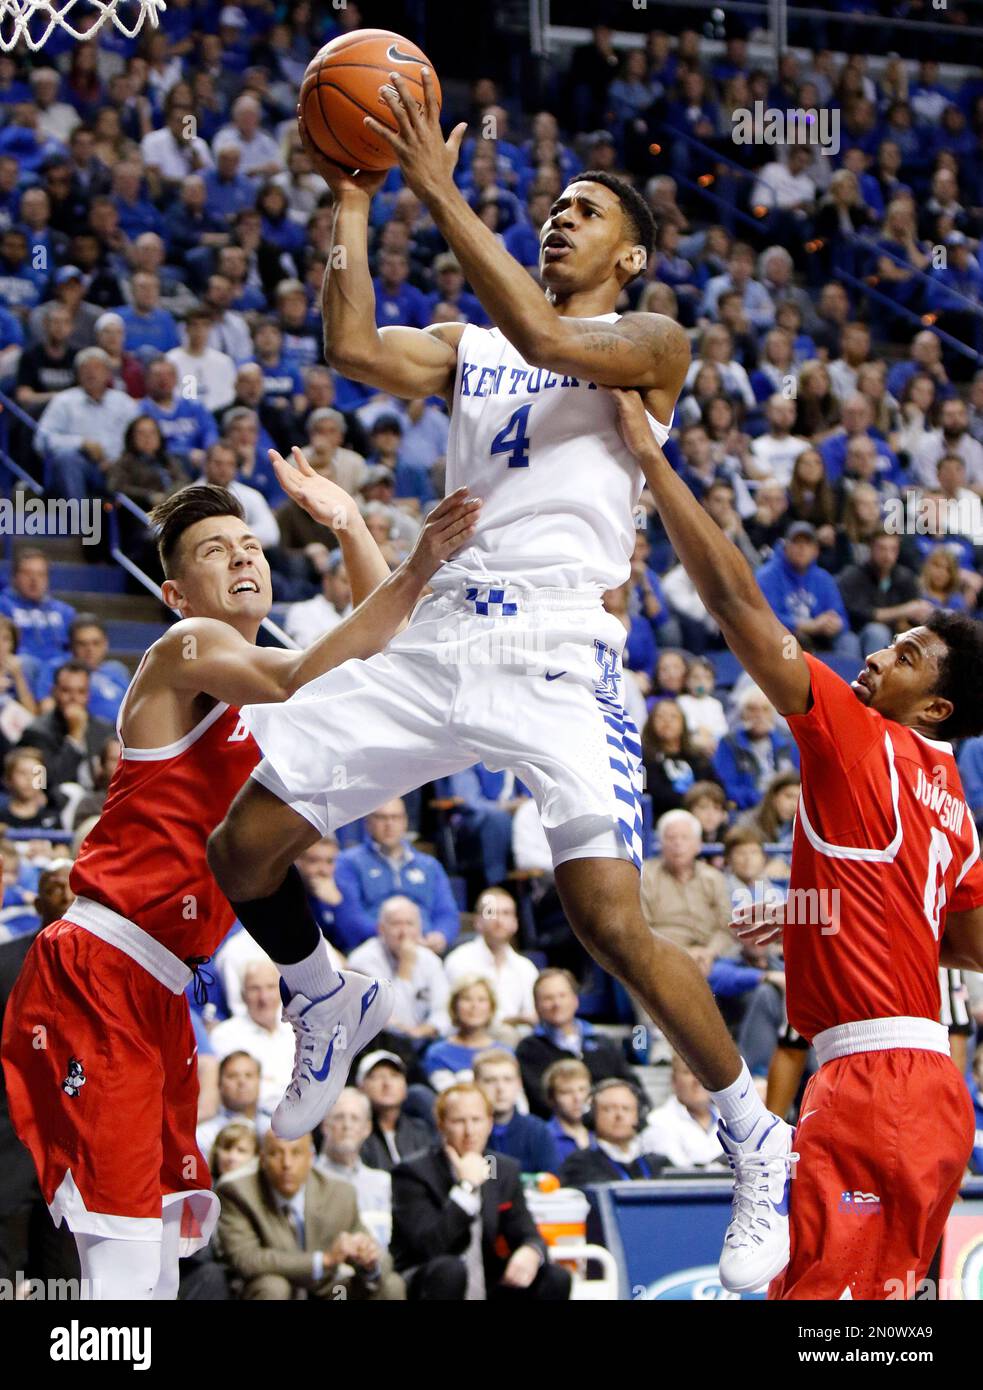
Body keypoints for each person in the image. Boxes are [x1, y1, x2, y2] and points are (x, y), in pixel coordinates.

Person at [205, 73, 791, 1290]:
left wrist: (434, 185)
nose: (561, 217)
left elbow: (543, 333)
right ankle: (326, 997)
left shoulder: (647, 345)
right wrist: (360, 201)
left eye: (587, 211)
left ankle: (751, 1134)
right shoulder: (475, 345)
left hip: (557, 652)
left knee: (605, 920)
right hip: (437, 631)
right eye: (555, 205)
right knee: (242, 849)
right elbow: (354, 345)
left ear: (630, 258)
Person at [0, 477, 479, 1301]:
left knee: (154, 1258)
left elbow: (379, 654)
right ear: (178, 591)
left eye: (250, 543)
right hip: (98, 965)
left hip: (160, 988)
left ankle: (321, 992)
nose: (242, 556)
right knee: (116, 1253)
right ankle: (320, 992)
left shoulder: (266, 671)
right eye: (214, 551)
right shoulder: (186, 645)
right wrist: (418, 564)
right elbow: (306, 670)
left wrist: (349, 526)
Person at [611, 383, 983, 1297]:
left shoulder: (865, 739)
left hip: (873, 1084)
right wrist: (827, 918)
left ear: (934, 708)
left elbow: (739, 605)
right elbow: (964, 949)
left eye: (903, 657)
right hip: (925, 1083)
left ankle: (754, 1140)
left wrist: (655, 467)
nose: (874, 653)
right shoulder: (954, 805)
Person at [390, 1082, 570, 1300]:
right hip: (428, 1279)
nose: (469, 1131)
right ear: (441, 1125)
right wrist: (466, 1189)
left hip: (489, 1284)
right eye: (458, 1121)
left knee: (555, 1277)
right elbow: (428, 1247)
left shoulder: (502, 1169)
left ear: (489, 1124)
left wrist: (531, 1251)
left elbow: (527, 1232)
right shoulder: (413, 1172)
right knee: (450, 1270)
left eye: (476, 1120)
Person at [217, 1129, 403, 1300]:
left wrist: (369, 1262)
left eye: (296, 1153)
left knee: (391, 1284)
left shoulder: (339, 1193)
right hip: (275, 1288)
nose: (287, 1164)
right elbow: (247, 1259)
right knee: (273, 1287)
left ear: (311, 1158)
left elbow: (376, 1253)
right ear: (262, 1160)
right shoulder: (238, 1193)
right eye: (276, 1154)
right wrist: (324, 1260)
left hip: (330, 1290)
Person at [332, 799, 461, 954]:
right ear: (368, 822)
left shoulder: (429, 865)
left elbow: (447, 913)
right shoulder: (348, 862)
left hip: (425, 948)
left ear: (405, 821)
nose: (389, 824)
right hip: (374, 950)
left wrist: (441, 935)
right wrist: (398, 938)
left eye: (395, 817)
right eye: (382, 818)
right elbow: (350, 919)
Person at [516, 968, 635, 1117]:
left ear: (575, 1000)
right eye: (548, 998)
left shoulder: (603, 1043)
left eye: (562, 995)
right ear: (536, 1006)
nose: (556, 1003)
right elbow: (542, 1102)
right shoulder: (528, 1049)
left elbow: (632, 1087)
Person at [347, 896, 449, 1041]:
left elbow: (444, 1010)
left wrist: (425, 1030)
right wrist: (405, 968)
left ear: (419, 928)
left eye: (410, 924)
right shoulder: (363, 961)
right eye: (396, 924)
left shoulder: (430, 960)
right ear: (381, 929)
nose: (404, 932)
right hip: (380, 1041)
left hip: (425, 1040)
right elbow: (395, 1019)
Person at [442, 887, 538, 1029]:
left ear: (515, 923)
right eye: (491, 913)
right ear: (477, 922)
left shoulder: (526, 967)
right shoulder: (458, 960)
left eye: (506, 913)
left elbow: (532, 1017)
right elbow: (450, 1016)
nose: (499, 920)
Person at [208, 961, 296, 1112]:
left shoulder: (298, 1029)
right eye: (255, 989)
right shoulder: (225, 1035)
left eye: (271, 987)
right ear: (242, 995)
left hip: (301, 1118)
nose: (264, 997)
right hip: (248, 1119)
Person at [559, 1079, 667, 1187]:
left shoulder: (661, 1165)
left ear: (639, 1116)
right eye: (608, 1109)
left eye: (626, 1109)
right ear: (592, 1116)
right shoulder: (578, 1166)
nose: (619, 1115)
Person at [316, 1089, 392, 1228]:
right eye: (339, 1117)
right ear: (325, 1125)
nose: (347, 1125)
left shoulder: (381, 1182)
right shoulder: (309, 1179)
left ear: (367, 1128)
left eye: (355, 1118)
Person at [474, 1049, 559, 1173]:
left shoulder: (537, 1132)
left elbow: (552, 1182)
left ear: (519, 1084)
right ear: (476, 1085)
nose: (500, 1088)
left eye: (507, 1080)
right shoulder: (468, 1132)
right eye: (490, 1081)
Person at [641, 1053, 726, 1169]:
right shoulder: (657, 1121)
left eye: (705, 1072)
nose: (698, 1080)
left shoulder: (733, 1120)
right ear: (673, 1080)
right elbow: (679, 1173)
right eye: (688, 1072)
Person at [357, 1051, 434, 1173]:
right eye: (376, 1077)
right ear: (361, 1087)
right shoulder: (355, 1133)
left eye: (394, 1075)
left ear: (405, 1086)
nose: (387, 1083)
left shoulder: (421, 1130)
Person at [422, 977, 504, 1091]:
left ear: (491, 1008)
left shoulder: (504, 1052)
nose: (474, 1006)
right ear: (454, 1006)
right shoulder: (437, 1053)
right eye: (467, 999)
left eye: (481, 1000)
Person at [196, 1050, 272, 1158]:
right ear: (219, 1084)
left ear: (259, 1081)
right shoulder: (204, 1136)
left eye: (249, 1075)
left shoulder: (273, 1128)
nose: (242, 1081)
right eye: (232, 1076)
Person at [542, 1058, 592, 1166]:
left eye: (582, 1089)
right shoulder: (543, 1137)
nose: (577, 1098)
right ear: (551, 1098)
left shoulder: (600, 1132)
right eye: (566, 1092)